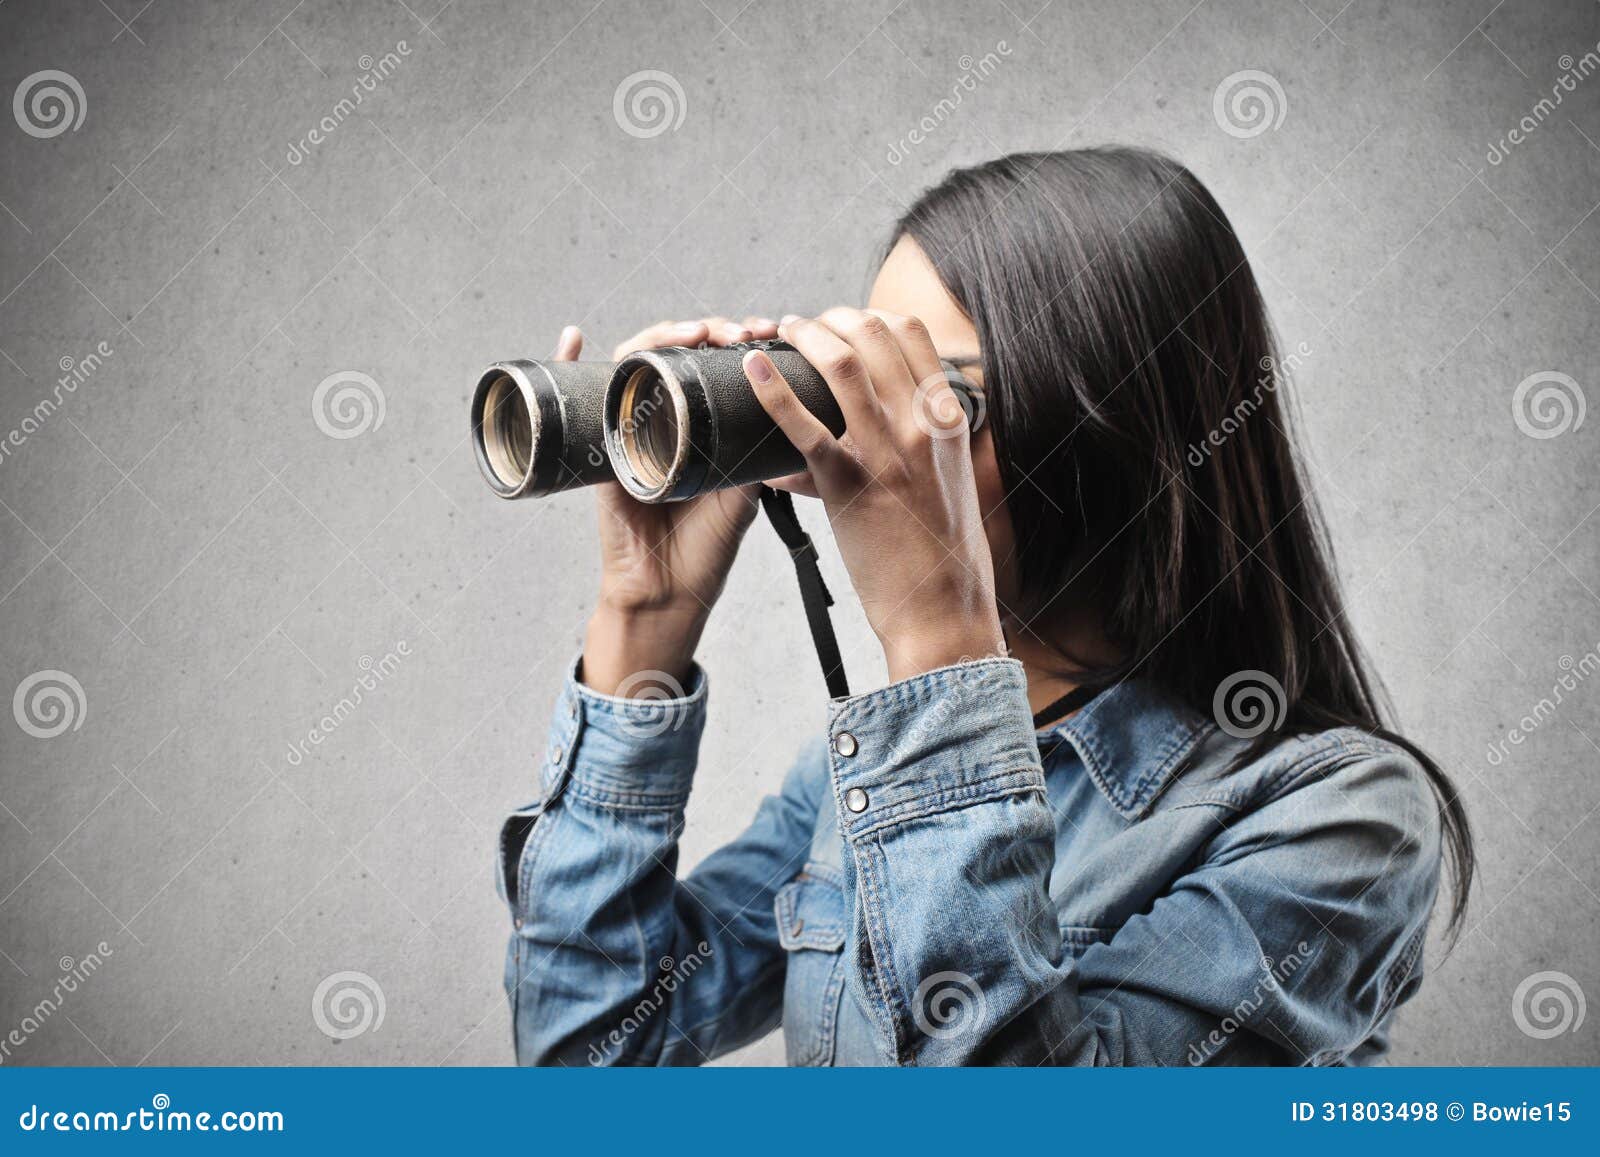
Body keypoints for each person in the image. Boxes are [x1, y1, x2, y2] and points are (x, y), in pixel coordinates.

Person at [496, 147, 1473, 1066]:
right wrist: (643, 612)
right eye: (873, 384)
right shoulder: (850, 782)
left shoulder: (1341, 819)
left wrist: (932, 632)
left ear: (1118, 435)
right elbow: (589, 1059)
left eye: (938, 398)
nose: (885, 447)